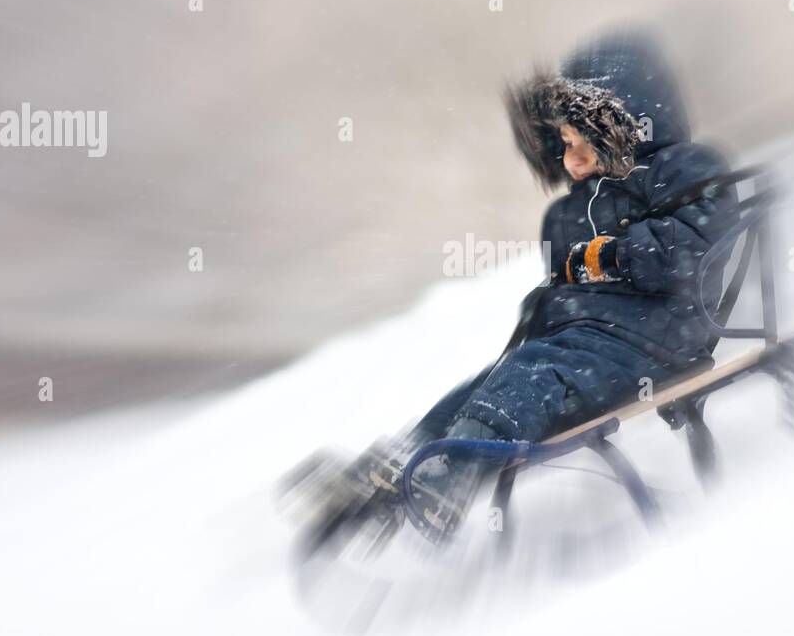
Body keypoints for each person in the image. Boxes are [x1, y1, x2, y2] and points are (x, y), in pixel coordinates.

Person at [308, 31, 740, 552]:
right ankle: (407, 458)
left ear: (628, 127)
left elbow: (691, 245)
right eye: (563, 145)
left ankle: (450, 474)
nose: (572, 161)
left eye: (585, 143)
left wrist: (613, 254)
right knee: (490, 382)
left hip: (656, 339)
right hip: (588, 340)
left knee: (534, 378)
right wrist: (551, 305)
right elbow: (566, 284)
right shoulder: (568, 211)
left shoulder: (684, 170)